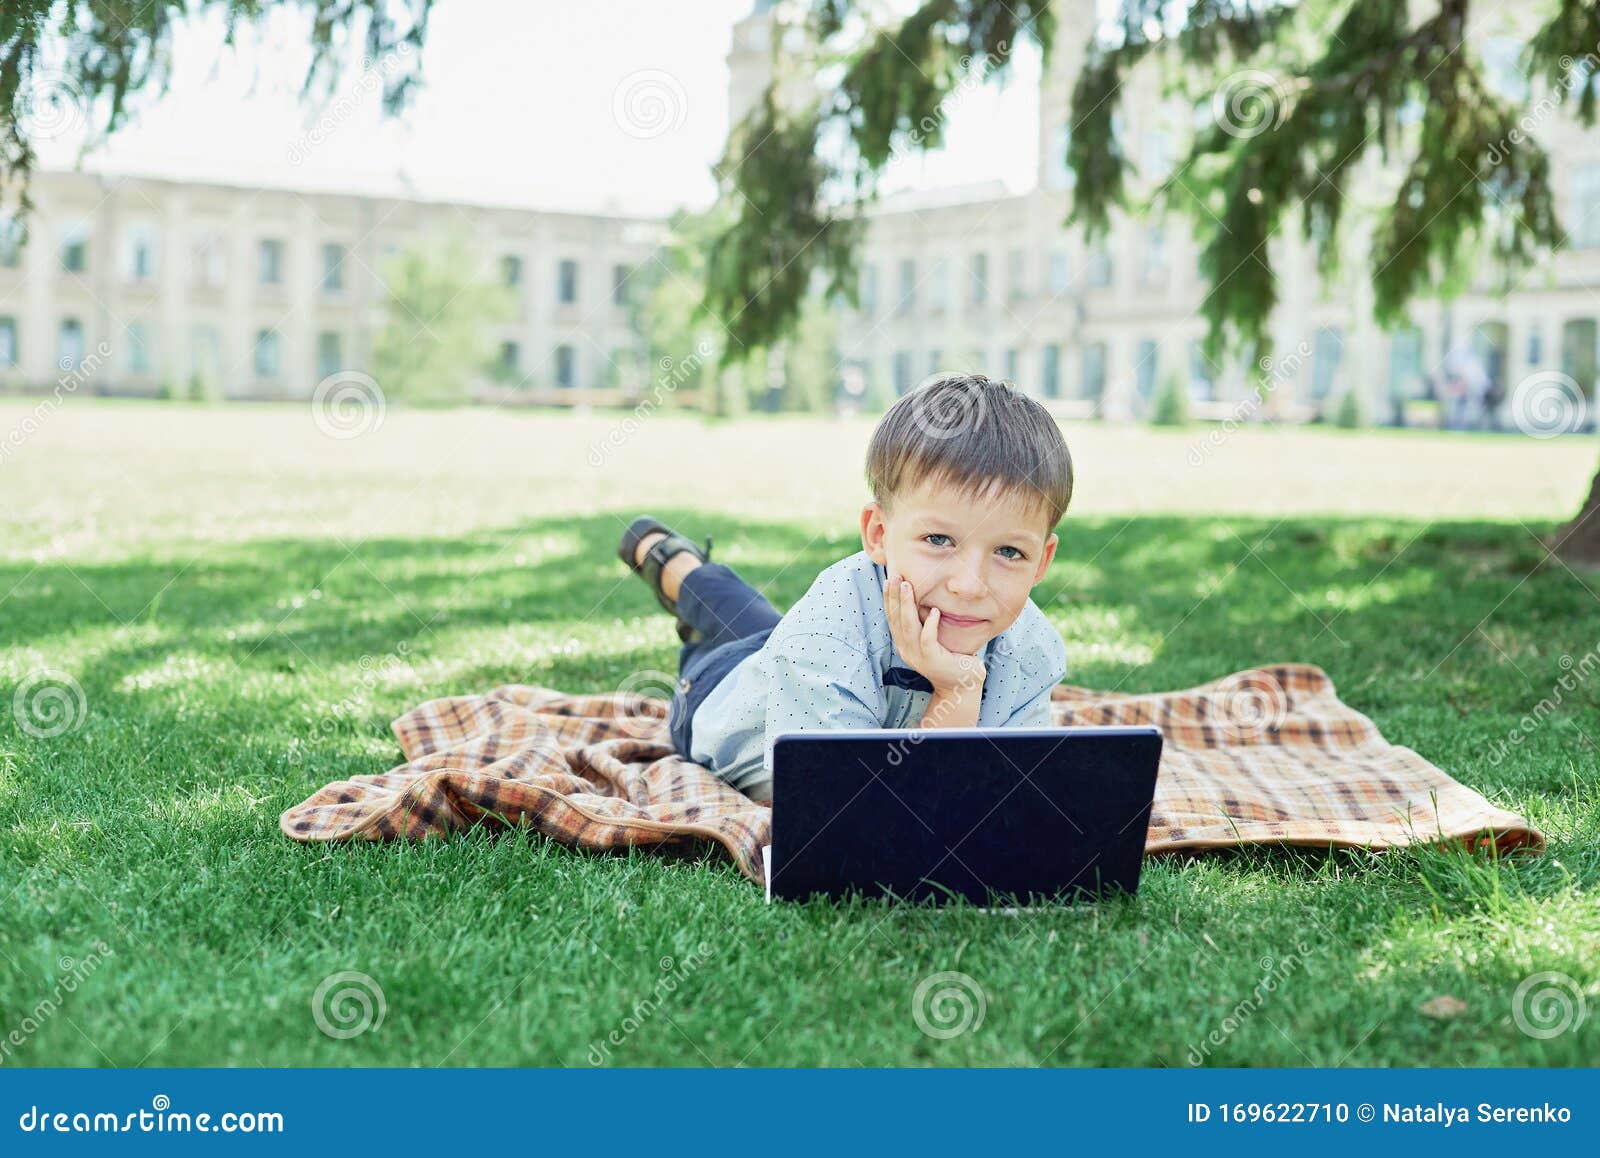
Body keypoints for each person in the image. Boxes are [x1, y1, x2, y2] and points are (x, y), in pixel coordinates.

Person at [618, 373, 1073, 803]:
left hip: (793, 653)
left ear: (1042, 561)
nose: (970, 585)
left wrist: (959, 686)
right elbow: (873, 811)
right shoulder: (824, 634)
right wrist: (956, 691)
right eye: (939, 540)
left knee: (760, 626)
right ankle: (671, 562)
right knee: (735, 625)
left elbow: (994, 795)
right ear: (877, 533)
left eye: (1009, 552)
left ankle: (680, 565)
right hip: (715, 690)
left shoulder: (1032, 649)